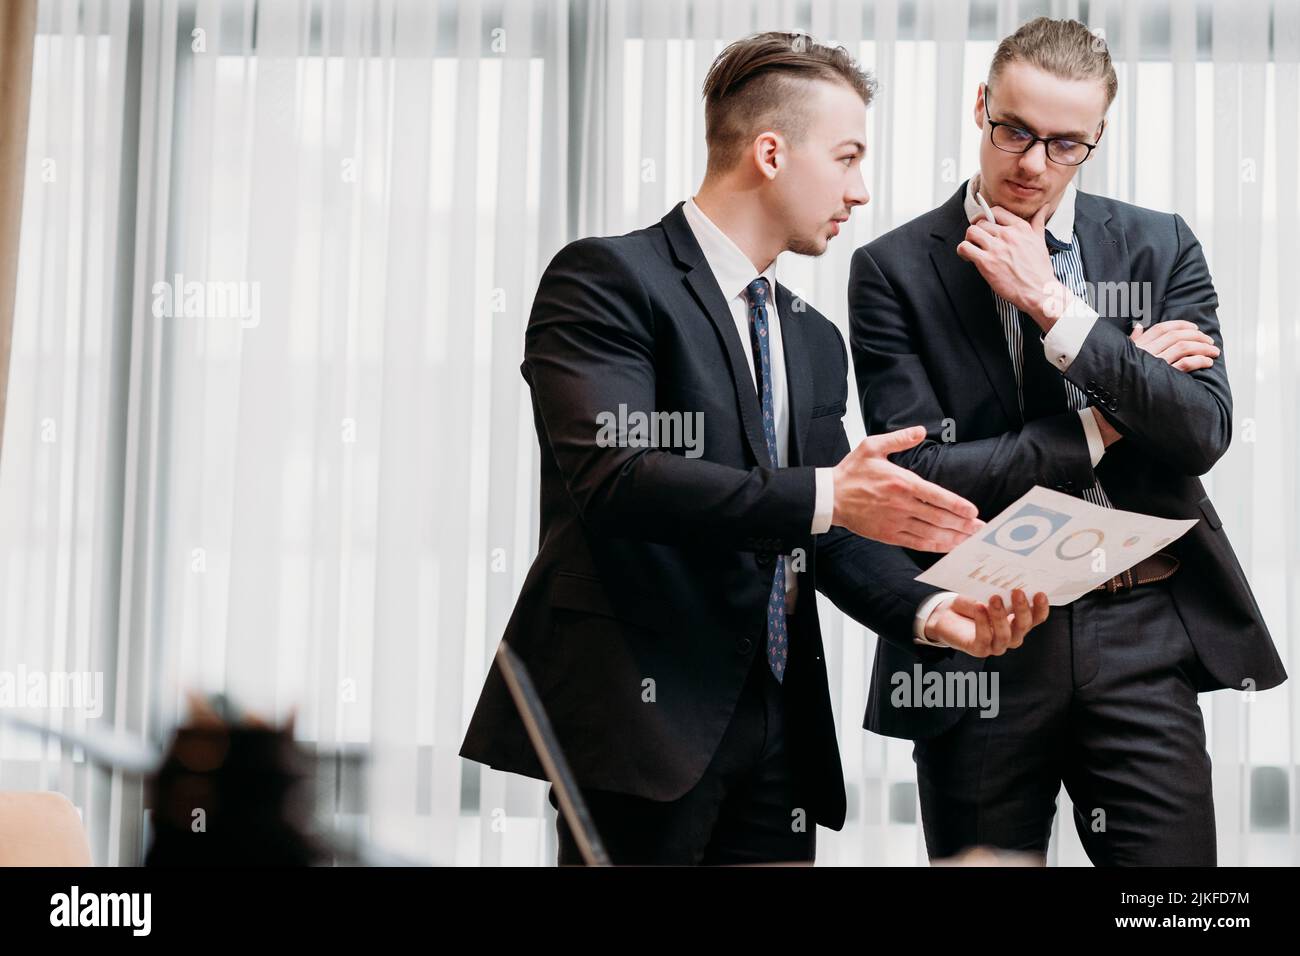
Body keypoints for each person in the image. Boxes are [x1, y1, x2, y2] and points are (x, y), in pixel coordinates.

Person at [460, 31, 1049, 866]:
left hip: (780, 733)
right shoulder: (606, 279)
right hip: (642, 723)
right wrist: (831, 497)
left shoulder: (813, 337)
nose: (861, 190)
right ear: (771, 154)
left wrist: (932, 612)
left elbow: (828, 528)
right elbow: (618, 477)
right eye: (847, 159)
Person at [848, 16, 1286, 865]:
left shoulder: (1160, 245)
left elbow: (1200, 432)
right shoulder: (892, 269)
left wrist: (1059, 311)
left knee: (1175, 910)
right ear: (980, 104)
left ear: (1097, 138)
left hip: (1142, 625)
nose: (1032, 164)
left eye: (1064, 145)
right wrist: (1110, 414)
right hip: (983, 629)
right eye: (1013, 131)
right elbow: (925, 474)